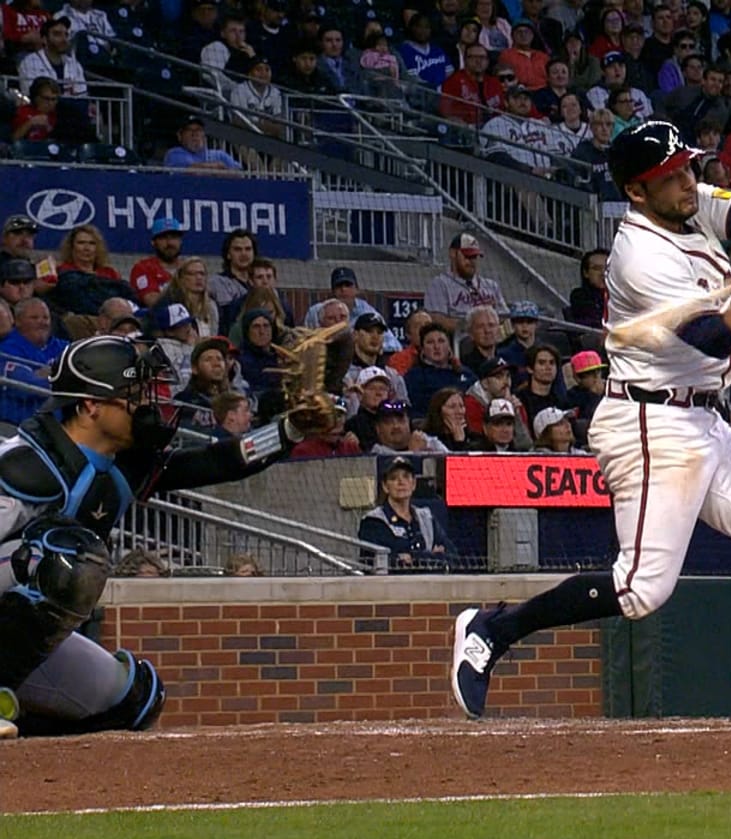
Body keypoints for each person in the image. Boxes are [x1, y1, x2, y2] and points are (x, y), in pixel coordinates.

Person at [450, 121, 731, 720]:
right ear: (637, 191)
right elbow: (715, 338)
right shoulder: (639, 257)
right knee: (641, 589)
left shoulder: (685, 203)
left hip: (702, 416)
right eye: (670, 176)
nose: (687, 182)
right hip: (649, 421)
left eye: (687, 168)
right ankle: (493, 629)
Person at [0, 335, 327, 735]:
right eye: (133, 395)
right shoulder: (25, 466)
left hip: (16, 639)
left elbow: (215, 462)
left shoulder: (120, 465)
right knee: (62, 556)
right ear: (90, 406)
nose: (146, 405)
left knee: (135, 697)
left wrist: (289, 430)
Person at [358, 457, 454, 573]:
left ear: (413, 484)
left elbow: (451, 554)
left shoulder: (426, 517)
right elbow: (383, 563)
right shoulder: (373, 521)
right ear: (385, 486)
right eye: (393, 478)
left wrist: (411, 558)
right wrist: (431, 557)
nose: (401, 482)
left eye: (406, 477)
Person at [423, 233, 509, 333]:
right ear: (452, 253)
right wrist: (475, 326)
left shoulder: (491, 286)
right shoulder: (439, 285)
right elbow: (437, 321)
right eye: (467, 256)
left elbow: (505, 317)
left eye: (474, 257)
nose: (472, 261)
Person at [128, 218, 185, 306]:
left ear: (180, 241)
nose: (170, 243)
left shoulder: (189, 268)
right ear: (153, 242)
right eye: (163, 238)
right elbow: (152, 301)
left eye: (174, 237)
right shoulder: (143, 268)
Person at [163, 115, 242, 172]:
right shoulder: (174, 153)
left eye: (199, 129)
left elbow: (240, 173)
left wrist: (209, 170)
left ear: (204, 135)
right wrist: (218, 167)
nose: (195, 134)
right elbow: (192, 172)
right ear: (180, 135)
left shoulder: (220, 155)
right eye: (189, 130)